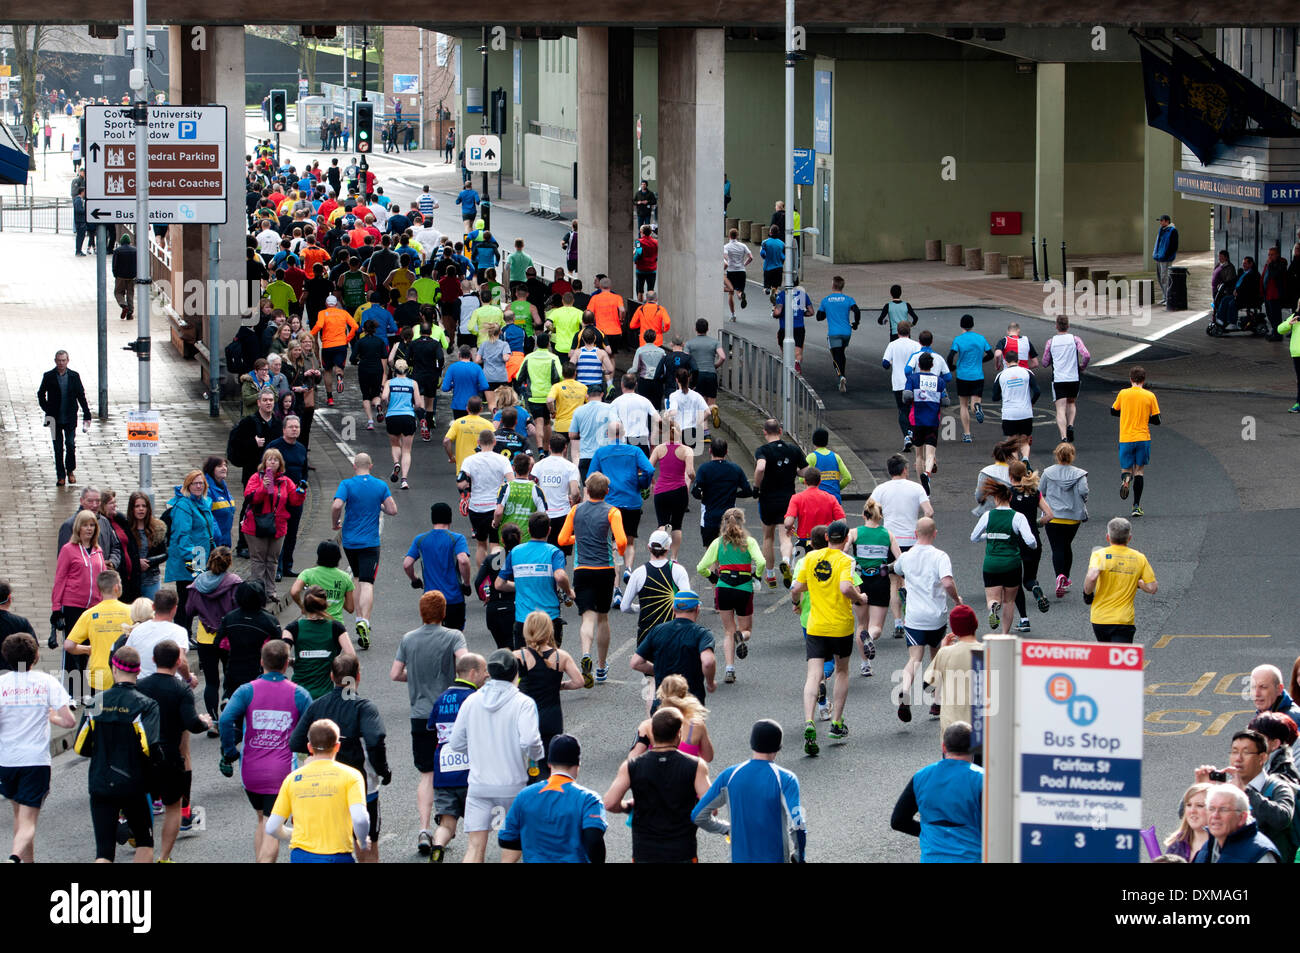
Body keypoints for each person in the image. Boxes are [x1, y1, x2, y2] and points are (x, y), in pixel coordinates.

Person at [288, 655, 390, 863]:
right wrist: (383, 770)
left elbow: (296, 742)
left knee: (328, 842)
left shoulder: (317, 706)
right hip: (362, 787)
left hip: (324, 785)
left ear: (331, 676)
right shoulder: (363, 707)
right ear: (358, 676)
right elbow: (375, 739)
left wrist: (319, 753)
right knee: (367, 843)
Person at [446, 649, 545, 863]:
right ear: (515, 674)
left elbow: (455, 743)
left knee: (474, 847)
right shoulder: (523, 703)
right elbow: (530, 741)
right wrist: (536, 757)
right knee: (515, 841)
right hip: (513, 785)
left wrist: (476, 751)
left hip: (479, 785)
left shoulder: (471, 701)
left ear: (489, 672)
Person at [219, 639, 312, 861]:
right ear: (287, 663)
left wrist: (230, 751)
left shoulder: (246, 691)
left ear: (262, 662)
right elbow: (313, 728)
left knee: (262, 820)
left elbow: (224, 720)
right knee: (274, 825)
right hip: (281, 771)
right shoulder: (299, 694)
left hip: (250, 770)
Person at [390, 588, 467, 849]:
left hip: (420, 715)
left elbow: (395, 674)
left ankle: (423, 829)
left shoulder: (408, 639)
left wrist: (417, 678)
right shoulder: (454, 636)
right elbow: (464, 663)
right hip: (449, 714)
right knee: (462, 767)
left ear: (421, 613)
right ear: (444, 613)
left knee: (427, 774)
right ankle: (454, 824)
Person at [73, 646, 160, 863]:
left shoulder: (95, 701)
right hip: (133, 782)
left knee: (103, 851)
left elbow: (80, 747)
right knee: (144, 842)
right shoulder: (146, 704)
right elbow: (149, 746)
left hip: (101, 781)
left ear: (114, 668)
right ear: (138, 672)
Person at [792, 521, 867, 755]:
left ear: (826, 538)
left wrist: (798, 603)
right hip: (840, 626)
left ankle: (809, 721)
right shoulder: (846, 560)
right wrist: (860, 597)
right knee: (842, 671)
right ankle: (836, 723)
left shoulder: (810, 558)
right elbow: (846, 588)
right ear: (845, 540)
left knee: (813, 675)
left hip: (816, 625)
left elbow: (796, 587)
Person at [0, 633, 75, 863]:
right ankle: (14, 857)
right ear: (36, 656)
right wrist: (53, 719)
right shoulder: (46, 681)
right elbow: (70, 721)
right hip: (35, 761)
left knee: (19, 815)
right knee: (29, 821)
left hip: (7, 761)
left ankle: (27, 862)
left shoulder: (1, 684)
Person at [603, 706, 713, 863]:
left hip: (645, 852)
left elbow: (609, 803)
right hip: (682, 851)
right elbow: (712, 808)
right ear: (679, 734)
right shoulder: (695, 765)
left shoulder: (632, 765)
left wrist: (627, 807)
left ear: (652, 733)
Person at [136, 640, 212, 861]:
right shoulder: (181, 689)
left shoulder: (140, 686)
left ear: (153, 659)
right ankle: (164, 857)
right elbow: (191, 723)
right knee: (173, 808)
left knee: (141, 803)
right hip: (170, 754)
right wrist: (205, 722)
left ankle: (138, 838)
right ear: (178, 662)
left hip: (142, 754)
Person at [692, 719, 806, 863]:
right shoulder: (787, 779)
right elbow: (798, 823)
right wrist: (799, 856)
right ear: (778, 747)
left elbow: (698, 815)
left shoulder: (729, 775)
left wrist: (726, 829)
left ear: (752, 743)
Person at [265, 718, 370, 864]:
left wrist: (293, 834)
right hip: (336, 855)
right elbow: (360, 818)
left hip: (301, 855)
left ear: (309, 747)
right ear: (337, 746)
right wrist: (363, 841)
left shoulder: (292, 779)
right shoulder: (351, 776)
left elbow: (271, 827)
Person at [557, 474, 626, 683]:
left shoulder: (575, 510)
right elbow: (622, 541)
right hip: (605, 569)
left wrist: (578, 538)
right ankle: (602, 667)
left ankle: (585, 653)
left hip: (582, 569)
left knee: (587, 616)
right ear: (607, 492)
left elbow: (562, 539)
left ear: (587, 491)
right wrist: (617, 548)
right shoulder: (612, 512)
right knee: (603, 617)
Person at [497, 734, 607, 863]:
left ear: (549, 763)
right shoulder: (589, 799)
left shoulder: (524, 796)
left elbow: (505, 839)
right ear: (578, 763)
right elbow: (594, 840)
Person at [895, 518, 961, 723]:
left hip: (914, 617)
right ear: (935, 533)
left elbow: (896, 569)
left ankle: (905, 691)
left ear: (915, 534)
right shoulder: (940, 556)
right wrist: (957, 599)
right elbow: (948, 582)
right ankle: (937, 702)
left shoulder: (906, 557)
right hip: (936, 616)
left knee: (914, 659)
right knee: (937, 658)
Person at [1196, 729, 1297, 862]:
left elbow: (1282, 819)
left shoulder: (1278, 787)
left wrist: (1245, 790)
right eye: (1234, 751)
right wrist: (1201, 789)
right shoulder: (1224, 788)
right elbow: (1188, 817)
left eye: (1246, 752)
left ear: (1262, 758)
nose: (1238, 758)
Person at [889, 721, 984, 862]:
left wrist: (930, 833)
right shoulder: (982, 779)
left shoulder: (921, 776)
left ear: (944, 747)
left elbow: (898, 820)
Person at [331, 453, 398, 649]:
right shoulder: (380, 485)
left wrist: (334, 522)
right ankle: (364, 621)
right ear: (371, 465)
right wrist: (379, 506)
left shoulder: (347, 484)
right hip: (370, 541)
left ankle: (359, 617)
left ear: (354, 466)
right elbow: (393, 510)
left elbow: (336, 504)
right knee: (368, 581)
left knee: (358, 577)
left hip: (350, 541)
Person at [425, 652, 488, 861]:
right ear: (472, 672)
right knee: (476, 827)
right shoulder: (475, 699)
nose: (487, 675)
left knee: (447, 824)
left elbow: (432, 728)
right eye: (484, 671)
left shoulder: (441, 699)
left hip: (443, 771)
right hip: (470, 772)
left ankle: (438, 846)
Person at [513, 612, 587, 779]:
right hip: (552, 717)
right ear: (549, 631)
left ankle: (531, 787)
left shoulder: (519, 656)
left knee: (528, 760)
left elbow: (511, 686)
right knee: (549, 762)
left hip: (527, 716)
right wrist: (559, 686)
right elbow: (579, 681)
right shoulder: (561, 656)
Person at [868, 456, 934, 637]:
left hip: (889, 540)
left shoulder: (880, 489)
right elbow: (929, 511)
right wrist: (922, 526)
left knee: (893, 581)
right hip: (912, 540)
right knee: (912, 579)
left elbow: (868, 511)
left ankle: (898, 624)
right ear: (905, 469)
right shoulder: (916, 488)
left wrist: (880, 523)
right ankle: (911, 619)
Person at [588, 422, 655, 587]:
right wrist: (642, 484)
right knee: (629, 540)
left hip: (610, 503)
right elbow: (649, 470)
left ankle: (616, 588)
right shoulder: (634, 451)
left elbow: (591, 476)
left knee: (614, 542)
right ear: (624, 433)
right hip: (632, 501)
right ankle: (629, 568)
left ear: (607, 434)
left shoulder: (601, 452)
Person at [241, 449, 308, 605]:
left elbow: (295, 501)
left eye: (275, 460)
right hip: (256, 526)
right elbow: (251, 498)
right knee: (258, 560)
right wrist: (264, 487)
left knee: (272, 560)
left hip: (278, 526)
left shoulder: (285, 481)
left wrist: (301, 491)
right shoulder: (256, 478)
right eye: (269, 459)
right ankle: (258, 593)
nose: (272, 462)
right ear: (264, 463)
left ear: (280, 464)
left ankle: (270, 591)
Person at [970, 481, 1037, 635]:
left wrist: (989, 536)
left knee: (992, 598)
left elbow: (974, 537)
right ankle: (1004, 633)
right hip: (1012, 564)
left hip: (991, 564)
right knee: (1009, 601)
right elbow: (1031, 541)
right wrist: (1032, 548)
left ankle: (993, 607)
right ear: (1010, 497)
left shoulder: (988, 515)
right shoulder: (1018, 517)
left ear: (995, 498)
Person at [186, 547, 242, 728]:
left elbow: (189, 610)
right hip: (228, 637)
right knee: (230, 677)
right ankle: (228, 716)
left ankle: (214, 722)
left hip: (205, 637)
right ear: (229, 562)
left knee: (211, 682)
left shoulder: (198, 584)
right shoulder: (234, 583)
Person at [630, 588, 717, 705]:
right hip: (689, 706)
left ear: (673, 609)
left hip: (663, 705)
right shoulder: (702, 634)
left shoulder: (657, 630)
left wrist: (659, 671)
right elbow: (708, 662)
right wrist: (710, 683)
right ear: (697, 609)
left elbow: (636, 663)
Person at [847, 499, 901, 676]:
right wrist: (890, 568)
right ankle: (870, 636)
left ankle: (865, 665)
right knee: (876, 626)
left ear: (864, 515)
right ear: (881, 517)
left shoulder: (854, 533)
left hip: (859, 581)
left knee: (861, 624)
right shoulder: (888, 535)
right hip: (880, 580)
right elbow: (900, 560)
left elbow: (844, 552)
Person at [1083, 517, 1157, 644]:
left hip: (1100, 618)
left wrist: (1087, 594)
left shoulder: (1099, 554)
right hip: (1123, 620)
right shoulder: (1139, 558)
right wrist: (1137, 582)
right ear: (1129, 538)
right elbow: (1152, 588)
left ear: (1108, 537)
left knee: (1106, 658)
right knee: (1120, 660)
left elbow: (1092, 577)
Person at [404, 502, 473, 631]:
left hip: (431, 599)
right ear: (450, 519)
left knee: (432, 640)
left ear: (432, 519)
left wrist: (415, 580)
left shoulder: (420, 539)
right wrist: (467, 584)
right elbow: (463, 560)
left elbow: (407, 564)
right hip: (454, 599)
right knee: (455, 639)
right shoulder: (457, 539)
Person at [63, 569, 132, 699]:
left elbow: (69, 645)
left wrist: (87, 649)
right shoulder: (130, 611)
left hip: (99, 674)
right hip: (125, 672)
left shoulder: (89, 614)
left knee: (100, 714)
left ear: (99, 589)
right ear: (117, 587)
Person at [621, 527, 693, 646]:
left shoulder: (638, 573)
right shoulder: (678, 570)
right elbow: (687, 602)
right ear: (668, 548)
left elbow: (624, 607)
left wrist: (640, 607)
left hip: (647, 634)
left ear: (649, 547)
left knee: (646, 664)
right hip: (673, 632)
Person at [753, 418, 802, 589]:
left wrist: (755, 486)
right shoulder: (793, 450)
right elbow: (804, 471)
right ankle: (786, 562)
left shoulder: (763, 450)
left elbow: (760, 468)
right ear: (780, 431)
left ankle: (770, 575)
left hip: (767, 499)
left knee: (768, 537)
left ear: (764, 432)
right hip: (788, 499)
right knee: (786, 537)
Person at [281, 586, 355, 700]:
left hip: (298, 696)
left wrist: (293, 661)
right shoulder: (336, 628)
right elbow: (351, 658)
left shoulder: (293, 628)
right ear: (325, 605)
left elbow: (281, 658)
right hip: (325, 697)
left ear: (304, 606)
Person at [457, 428, 514, 571]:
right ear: (494, 442)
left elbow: (461, 483)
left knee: (481, 544)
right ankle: (497, 573)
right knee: (496, 544)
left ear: (478, 442)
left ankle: (484, 579)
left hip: (476, 507)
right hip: (496, 507)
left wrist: (466, 492)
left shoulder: (469, 460)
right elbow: (511, 482)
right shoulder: (503, 460)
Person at [922, 604, 981, 741]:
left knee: (952, 762)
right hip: (981, 729)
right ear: (975, 624)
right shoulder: (989, 652)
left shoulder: (946, 653)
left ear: (954, 630)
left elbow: (928, 685)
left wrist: (942, 650)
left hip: (952, 728)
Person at [1039, 442, 1089, 600]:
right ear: (1072, 456)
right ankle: (1065, 578)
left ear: (1056, 455)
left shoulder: (1048, 472)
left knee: (1057, 548)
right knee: (1066, 546)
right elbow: (1083, 491)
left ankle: (1060, 576)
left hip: (1052, 516)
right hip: (1072, 518)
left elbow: (1041, 491)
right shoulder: (1080, 474)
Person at [1112, 366, 1162, 519]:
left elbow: (1113, 411)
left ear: (1130, 379)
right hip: (1142, 437)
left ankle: (1126, 479)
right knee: (1139, 471)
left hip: (1126, 438)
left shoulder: (1123, 393)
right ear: (1144, 380)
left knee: (1126, 469)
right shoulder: (1150, 396)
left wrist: (1127, 412)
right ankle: (1136, 506)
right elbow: (1157, 420)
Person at [37, 350, 92, 487]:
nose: (61, 363)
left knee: (70, 444)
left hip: (69, 416)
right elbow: (41, 394)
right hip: (54, 418)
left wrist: (87, 413)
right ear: (55, 361)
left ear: (68, 361)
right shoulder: (49, 376)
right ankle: (60, 475)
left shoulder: (74, 376)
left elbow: (81, 395)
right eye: (59, 360)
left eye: (63, 360)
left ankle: (70, 471)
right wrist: (46, 408)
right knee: (57, 448)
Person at [1192, 784, 1280, 863]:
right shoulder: (1207, 848)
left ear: (1242, 817)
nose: (1215, 815)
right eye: (1211, 809)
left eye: (1223, 809)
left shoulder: (1260, 853)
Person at [902, 352, 949, 493]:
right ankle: (927, 474)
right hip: (933, 421)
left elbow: (906, 395)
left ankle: (921, 488)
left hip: (916, 420)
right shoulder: (939, 381)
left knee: (918, 455)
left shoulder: (912, 378)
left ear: (918, 365)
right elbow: (946, 401)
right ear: (932, 365)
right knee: (930, 454)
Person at [1042, 315, 1090, 443]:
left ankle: (1063, 437)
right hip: (1074, 377)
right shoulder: (1075, 339)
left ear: (1056, 326)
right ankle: (1070, 425)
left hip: (1058, 378)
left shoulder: (1051, 342)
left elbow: (1045, 362)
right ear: (1068, 326)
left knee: (1060, 408)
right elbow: (1086, 354)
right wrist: (1082, 367)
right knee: (1071, 403)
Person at [946, 314, 993, 443]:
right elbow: (991, 354)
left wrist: (952, 367)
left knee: (963, 405)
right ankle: (978, 408)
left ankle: (967, 434)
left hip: (962, 375)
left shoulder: (958, 339)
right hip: (977, 375)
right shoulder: (981, 338)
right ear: (972, 325)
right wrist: (980, 361)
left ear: (961, 325)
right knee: (974, 403)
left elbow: (950, 356)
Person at [532, 435, 583, 551]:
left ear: (549, 447)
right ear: (565, 448)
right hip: (563, 514)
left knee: (543, 550)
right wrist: (572, 501)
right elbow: (575, 492)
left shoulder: (538, 465)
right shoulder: (571, 467)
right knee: (561, 552)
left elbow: (532, 487)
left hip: (542, 515)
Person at [291, 540, 356, 629]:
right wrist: (339, 594)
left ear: (319, 555)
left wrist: (302, 607)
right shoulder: (345, 577)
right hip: (335, 626)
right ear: (338, 557)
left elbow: (294, 592)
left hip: (312, 623)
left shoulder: (308, 573)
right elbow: (350, 608)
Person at [992, 344, 1037, 465]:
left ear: (1005, 361)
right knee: (1025, 440)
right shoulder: (1027, 372)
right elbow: (1037, 391)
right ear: (1018, 360)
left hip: (1009, 413)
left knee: (1012, 442)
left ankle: (1016, 466)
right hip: (1025, 412)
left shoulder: (1001, 375)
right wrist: (1031, 403)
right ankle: (1026, 459)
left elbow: (995, 397)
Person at [815, 276, 861, 392]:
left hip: (834, 333)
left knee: (836, 356)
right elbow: (857, 310)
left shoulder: (826, 300)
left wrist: (828, 312)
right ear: (842, 286)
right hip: (846, 332)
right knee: (841, 353)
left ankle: (841, 376)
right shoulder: (849, 299)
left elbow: (819, 317)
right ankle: (843, 375)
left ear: (833, 285)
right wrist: (856, 323)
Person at [882, 322, 923, 450]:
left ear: (897, 332)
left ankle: (906, 435)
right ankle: (912, 432)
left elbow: (885, 363)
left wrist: (891, 363)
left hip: (899, 383)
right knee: (913, 409)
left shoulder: (892, 345)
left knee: (902, 410)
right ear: (909, 331)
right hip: (914, 383)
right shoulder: (916, 345)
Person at [1163, 782, 1213, 861]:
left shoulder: (1221, 845)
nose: (1192, 811)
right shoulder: (1176, 845)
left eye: (1200, 805)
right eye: (1189, 805)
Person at [771, 279, 813, 372]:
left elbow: (777, 312)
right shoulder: (803, 295)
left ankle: (788, 368)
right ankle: (797, 363)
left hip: (785, 328)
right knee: (798, 353)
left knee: (785, 352)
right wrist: (801, 313)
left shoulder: (782, 295)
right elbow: (811, 312)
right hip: (799, 327)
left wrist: (773, 313)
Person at [1251, 712, 1300, 784]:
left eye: (1258, 738)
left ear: (1275, 744)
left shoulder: (1283, 776)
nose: (1251, 742)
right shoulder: (1264, 759)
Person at [723, 228, 753, 318]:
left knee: (731, 293)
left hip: (731, 271)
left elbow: (725, 256)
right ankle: (741, 295)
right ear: (737, 236)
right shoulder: (743, 246)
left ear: (729, 236)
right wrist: (744, 264)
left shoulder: (726, 246)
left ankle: (733, 314)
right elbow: (751, 257)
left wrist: (727, 259)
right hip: (741, 271)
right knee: (739, 290)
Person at [111, 234, 137, 320]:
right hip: (132, 276)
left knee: (118, 292)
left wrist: (115, 274)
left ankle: (123, 304)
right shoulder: (135, 250)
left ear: (121, 242)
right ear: (129, 241)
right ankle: (130, 313)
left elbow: (114, 264)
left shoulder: (117, 251)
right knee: (130, 294)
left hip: (120, 276)